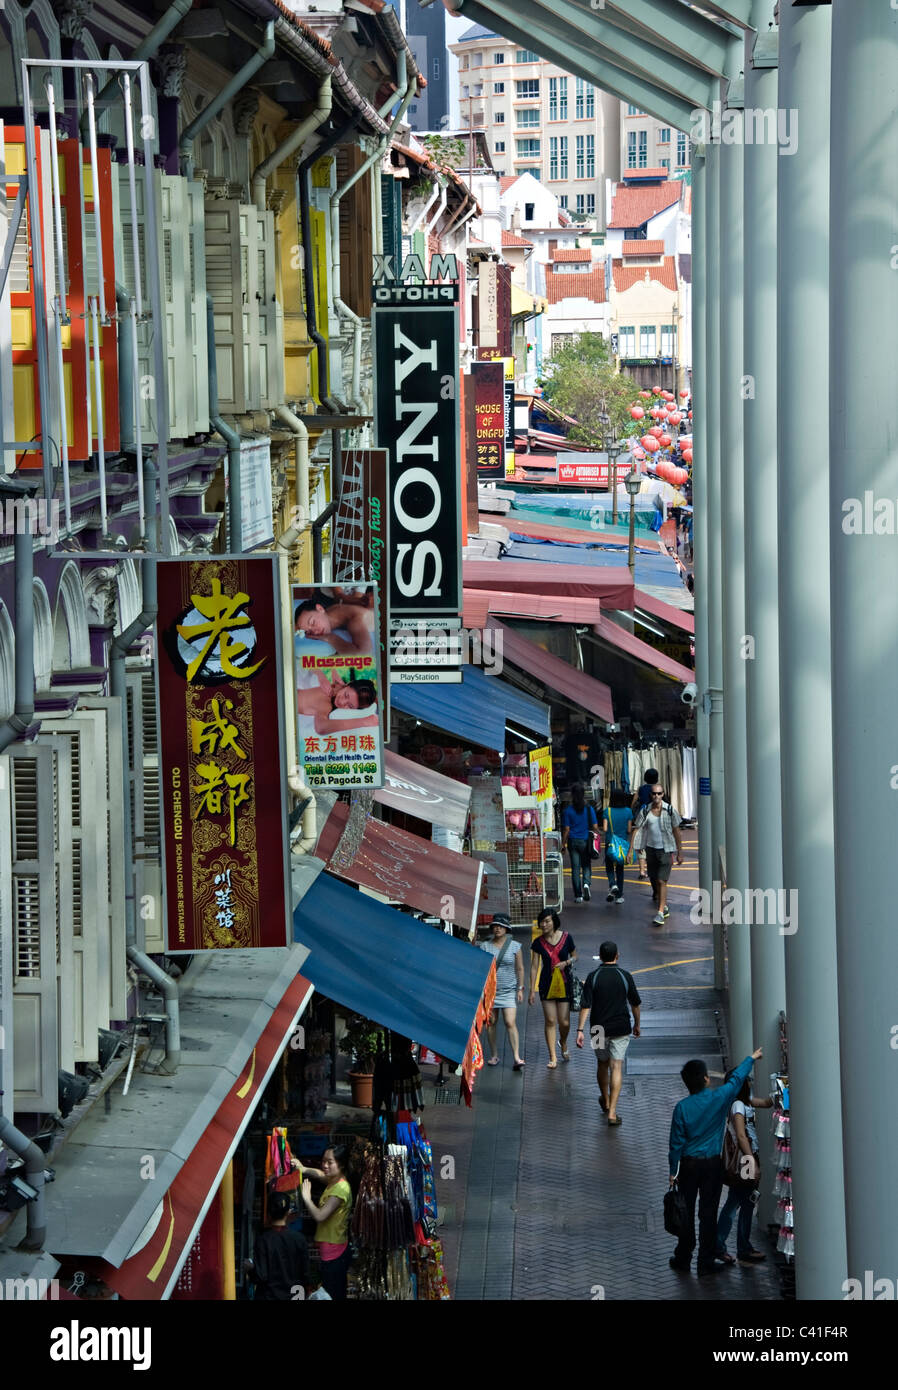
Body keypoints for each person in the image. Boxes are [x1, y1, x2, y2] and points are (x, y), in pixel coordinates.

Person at [668, 1047, 764, 1275]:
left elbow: (675, 1144)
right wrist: (751, 1058)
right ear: (706, 1079)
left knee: (686, 1211)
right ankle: (705, 1262)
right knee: (708, 1213)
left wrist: (674, 1171)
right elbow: (736, 1080)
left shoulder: (681, 1108)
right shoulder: (718, 1098)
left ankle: (683, 1256)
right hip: (712, 1165)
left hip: (688, 1165)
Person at [575, 941, 641, 1126]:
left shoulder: (593, 976)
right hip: (621, 1027)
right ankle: (612, 1112)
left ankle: (605, 1099)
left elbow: (585, 1005)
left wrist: (580, 1030)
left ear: (601, 957)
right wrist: (637, 1024)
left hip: (597, 1029)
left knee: (602, 1064)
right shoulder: (625, 976)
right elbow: (635, 1004)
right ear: (617, 956)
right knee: (616, 1067)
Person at [715, 1074, 773, 1266]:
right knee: (740, 1203)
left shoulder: (742, 1101)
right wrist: (752, 1162)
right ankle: (736, 1247)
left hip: (746, 1159)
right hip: (745, 1160)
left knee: (739, 1201)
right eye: (747, 1080)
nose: (750, 1082)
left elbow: (766, 1103)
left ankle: (728, 1245)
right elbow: (741, 1136)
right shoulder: (738, 1105)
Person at [299, 1144, 354, 1299]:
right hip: (331, 1250)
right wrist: (303, 1169)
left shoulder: (341, 1189)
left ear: (341, 1165)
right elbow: (319, 1174)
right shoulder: (334, 1181)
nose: (325, 1165)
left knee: (332, 1294)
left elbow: (320, 1216)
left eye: (330, 1162)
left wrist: (307, 1199)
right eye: (323, 1161)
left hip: (334, 1252)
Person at [629, 783, 683, 925]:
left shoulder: (670, 810)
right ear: (650, 795)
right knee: (653, 879)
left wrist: (680, 852)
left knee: (661, 880)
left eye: (659, 793)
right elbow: (637, 828)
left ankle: (660, 912)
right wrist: (631, 849)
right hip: (650, 849)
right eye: (654, 793)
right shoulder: (645, 810)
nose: (656, 796)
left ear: (663, 794)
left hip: (666, 849)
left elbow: (677, 831)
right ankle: (663, 905)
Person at [529, 909, 577, 1068]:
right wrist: (531, 990)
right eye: (542, 922)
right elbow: (534, 967)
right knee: (550, 1020)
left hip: (564, 983)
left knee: (564, 1022)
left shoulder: (567, 937)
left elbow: (575, 956)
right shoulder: (538, 943)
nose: (544, 924)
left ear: (554, 921)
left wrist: (566, 963)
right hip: (546, 985)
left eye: (547, 921)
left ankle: (563, 1041)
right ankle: (553, 1057)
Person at [479, 913, 525, 1070]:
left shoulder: (515, 946)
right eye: (495, 926)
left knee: (510, 1022)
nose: (497, 929)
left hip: (509, 990)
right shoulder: (485, 946)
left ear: (507, 928)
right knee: (491, 1023)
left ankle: (517, 1057)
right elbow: (482, 969)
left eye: (501, 926)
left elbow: (520, 968)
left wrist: (520, 988)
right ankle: (494, 1055)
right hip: (491, 991)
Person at [245, 1190, 309, 1300]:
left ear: (268, 1213)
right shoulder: (300, 1239)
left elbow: (261, 1276)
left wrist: (250, 1269)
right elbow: (305, 1274)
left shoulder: (263, 1240)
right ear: (288, 1212)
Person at [297, 671, 380, 735]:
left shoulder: (338, 687)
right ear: (348, 684)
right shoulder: (326, 703)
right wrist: (365, 721)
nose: (342, 702)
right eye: (346, 695)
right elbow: (321, 728)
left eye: (350, 706)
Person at [295, 594, 374, 655]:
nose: (315, 632)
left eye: (312, 622)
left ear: (320, 608)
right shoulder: (331, 610)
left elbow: (362, 653)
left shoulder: (354, 620)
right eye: (308, 631)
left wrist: (331, 638)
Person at [561, 783, 598, 902]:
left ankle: (578, 895)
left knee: (575, 869)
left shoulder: (568, 811)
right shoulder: (589, 809)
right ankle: (586, 883)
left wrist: (563, 844)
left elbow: (566, 829)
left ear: (572, 795)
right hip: (585, 840)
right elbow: (595, 826)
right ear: (583, 794)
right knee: (586, 865)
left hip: (573, 841)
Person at [602, 790, 633, 903]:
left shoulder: (607, 811)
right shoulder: (628, 811)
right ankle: (619, 896)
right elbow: (629, 830)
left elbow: (605, 829)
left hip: (610, 843)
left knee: (609, 866)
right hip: (622, 844)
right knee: (620, 869)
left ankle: (612, 884)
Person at [630, 767, 660, 881]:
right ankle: (654, 869)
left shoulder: (641, 788)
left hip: (643, 815)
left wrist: (632, 809)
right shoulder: (657, 789)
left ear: (645, 778)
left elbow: (634, 801)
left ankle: (642, 871)